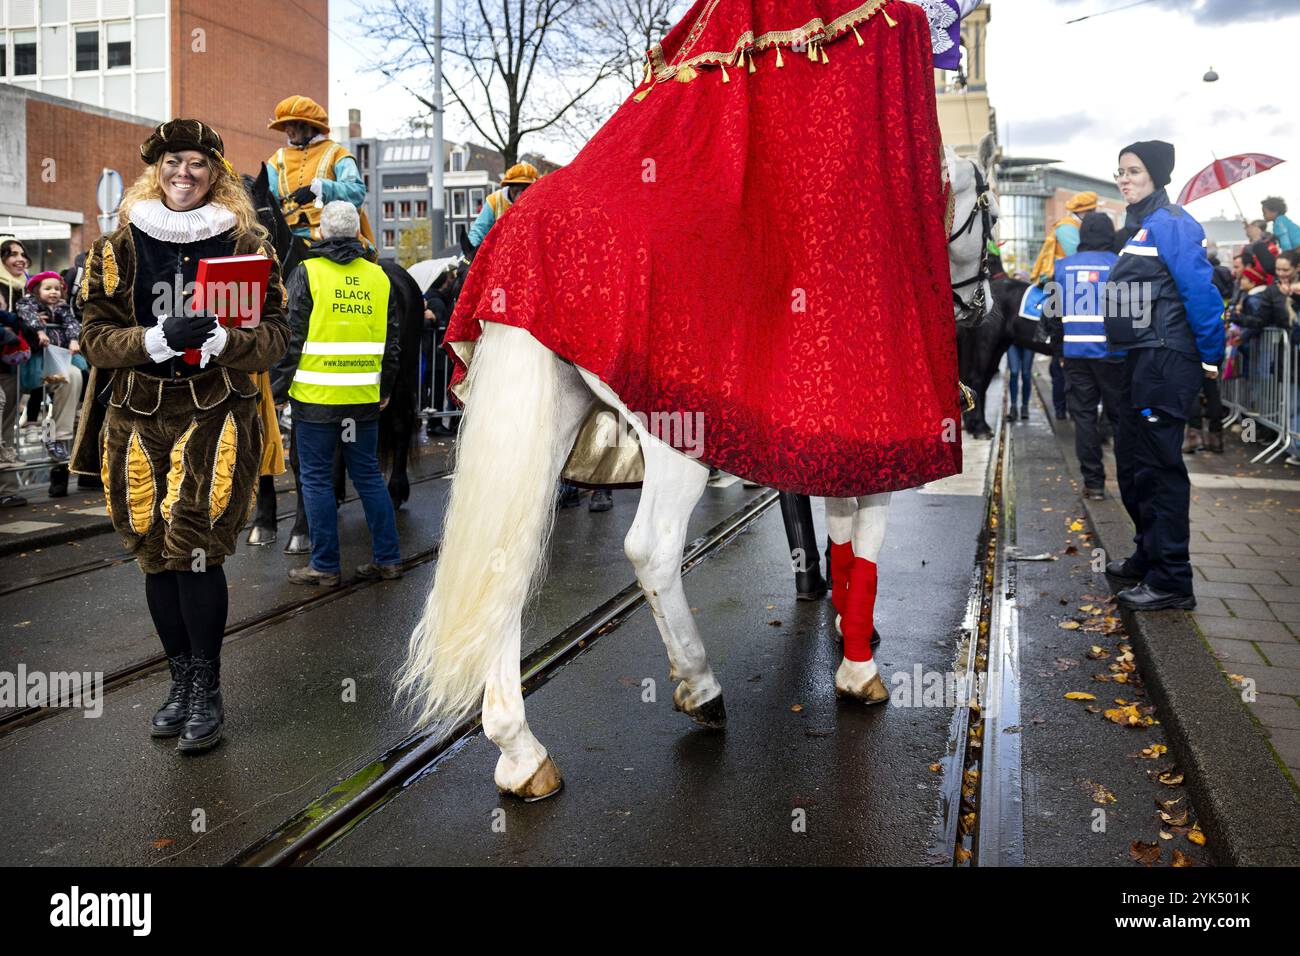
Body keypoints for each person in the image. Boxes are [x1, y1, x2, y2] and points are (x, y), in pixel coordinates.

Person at [69, 119, 290, 752]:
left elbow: (274, 336)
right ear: (155, 170)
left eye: (195, 163)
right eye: (172, 163)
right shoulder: (119, 244)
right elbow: (92, 338)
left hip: (216, 410)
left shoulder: (246, 242)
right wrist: (155, 339)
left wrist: (228, 341)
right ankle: (180, 681)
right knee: (153, 548)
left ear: (214, 171)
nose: (183, 174)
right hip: (137, 412)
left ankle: (208, 691)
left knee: (196, 543)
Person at [1102, 140, 1225, 612]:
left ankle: (1173, 579)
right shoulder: (1143, 227)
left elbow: (1200, 289)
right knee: (1133, 466)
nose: (1124, 179)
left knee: (1159, 471)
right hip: (1141, 360)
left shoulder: (1172, 223)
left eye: (1132, 171)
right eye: (1119, 172)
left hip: (1166, 360)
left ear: (1155, 175)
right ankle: (1148, 556)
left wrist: (1210, 354)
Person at [279, 200, 402, 588]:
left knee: (315, 479)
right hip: (362, 399)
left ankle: (325, 566)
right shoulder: (378, 277)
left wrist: (279, 391)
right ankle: (388, 559)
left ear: (321, 232)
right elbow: (392, 342)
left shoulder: (307, 272)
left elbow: (293, 337)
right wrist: (385, 389)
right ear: (357, 233)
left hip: (315, 399)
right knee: (367, 474)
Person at [1043, 211, 1124, 499]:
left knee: (1085, 417)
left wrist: (1059, 351)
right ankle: (1128, 481)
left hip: (1076, 354)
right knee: (1119, 417)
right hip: (1114, 355)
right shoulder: (1121, 266)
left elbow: (1052, 314)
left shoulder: (1063, 267)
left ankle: (1094, 483)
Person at [265, 95, 373, 246]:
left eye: (292, 123)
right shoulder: (277, 159)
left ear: (308, 125)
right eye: (285, 125)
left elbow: (357, 192)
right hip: (289, 234)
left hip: (333, 234)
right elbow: (268, 197)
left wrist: (319, 189)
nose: (287, 130)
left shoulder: (337, 152)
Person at [16, 272, 83, 496]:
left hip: (60, 359)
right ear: (36, 290)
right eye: (48, 288)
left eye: (57, 288)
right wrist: (39, 330)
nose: (53, 292)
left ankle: (59, 447)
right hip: (34, 360)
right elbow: (26, 316)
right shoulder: (28, 303)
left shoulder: (64, 307)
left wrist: (74, 338)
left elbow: (73, 323)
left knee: (74, 376)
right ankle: (40, 429)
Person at [0, 237, 30, 506]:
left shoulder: (21, 290)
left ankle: (7, 488)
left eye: (22, 254)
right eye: (11, 255)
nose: (19, 259)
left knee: (7, 426)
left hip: (10, 368)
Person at [1030, 191, 1098, 284]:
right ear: (1081, 211)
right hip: (1055, 276)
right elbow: (1075, 255)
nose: (1094, 213)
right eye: (1090, 210)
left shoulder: (1078, 224)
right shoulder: (1067, 226)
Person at [467, 162, 540, 249]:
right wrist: (467, 254)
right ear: (510, 186)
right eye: (517, 189)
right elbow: (479, 231)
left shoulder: (539, 202)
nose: (521, 195)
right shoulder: (495, 200)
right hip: (499, 254)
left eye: (526, 189)